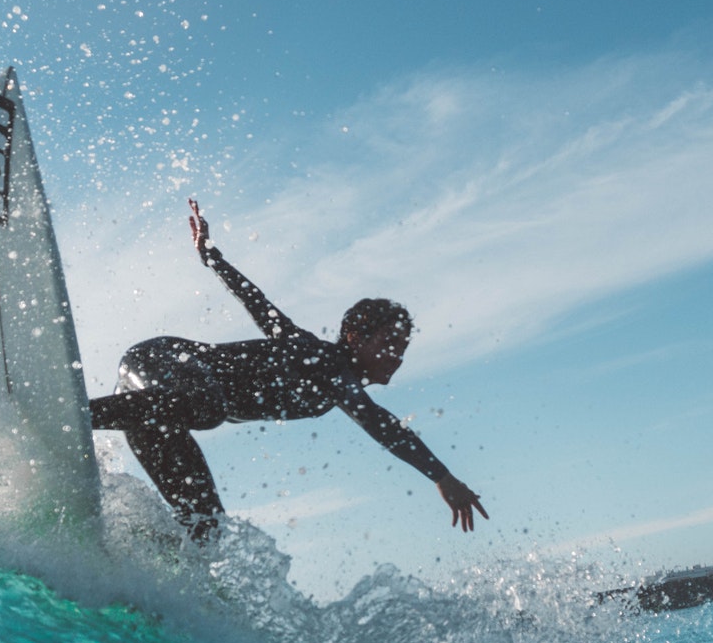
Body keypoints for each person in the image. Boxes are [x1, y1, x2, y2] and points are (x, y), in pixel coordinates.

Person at [89, 200, 489, 542]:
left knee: (206, 527)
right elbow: (376, 421)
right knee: (209, 406)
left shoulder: (307, 355)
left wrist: (213, 258)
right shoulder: (324, 362)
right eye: (387, 344)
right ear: (353, 335)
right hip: (158, 362)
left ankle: (132, 566)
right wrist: (441, 476)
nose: (396, 357)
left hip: (153, 412)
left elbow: (258, 304)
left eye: (401, 349)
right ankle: (77, 413)